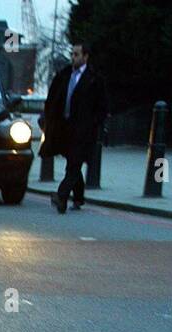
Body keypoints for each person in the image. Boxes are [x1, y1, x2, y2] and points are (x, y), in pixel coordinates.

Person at [41, 41, 108, 214]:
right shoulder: (64, 75)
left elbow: (102, 107)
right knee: (73, 163)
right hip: (64, 128)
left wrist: (94, 123)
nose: (73, 57)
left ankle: (61, 197)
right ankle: (78, 198)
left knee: (74, 163)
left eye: (77, 54)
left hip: (83, 130)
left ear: (86, 57)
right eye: (72, 54)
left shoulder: (94, 79)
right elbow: (53, 98)